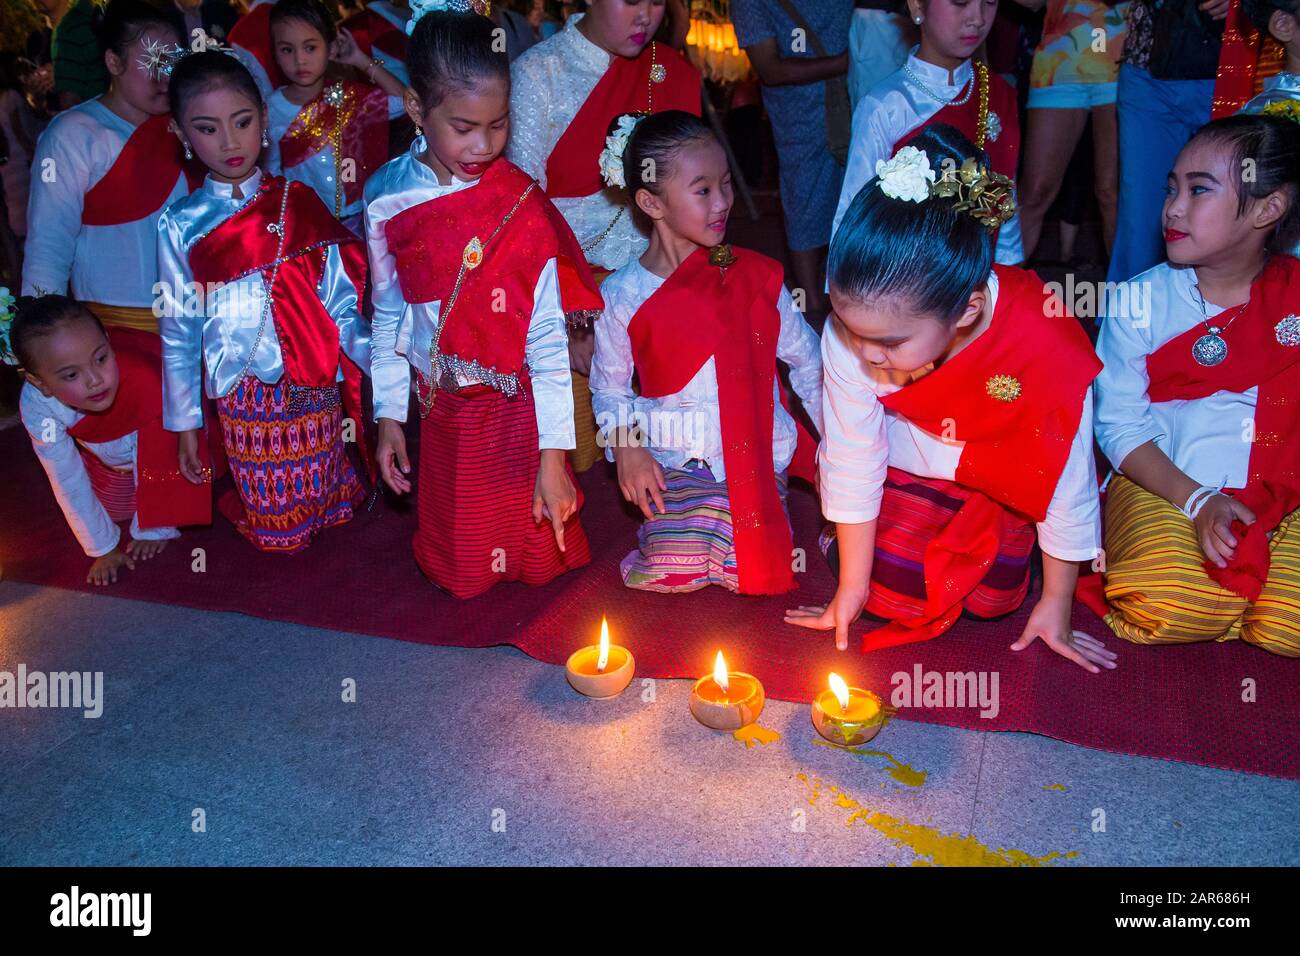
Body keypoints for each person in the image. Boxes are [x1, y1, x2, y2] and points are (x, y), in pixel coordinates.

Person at [788, 126, 1115, 673]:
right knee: (886, 586)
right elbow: (853, 454)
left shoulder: (1045, 339)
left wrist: (1056, 602)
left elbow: (1066, 476)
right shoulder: (854, 333)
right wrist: (851, 589)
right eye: (849, 328)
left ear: (966, 310)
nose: (866, 355)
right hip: (911, 464)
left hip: (1007, 480)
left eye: (890, 344)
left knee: (994, 598)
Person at [366, 2, 603, 598]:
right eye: (464, 128)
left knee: (535, 555)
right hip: (442, 404)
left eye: (498, 126)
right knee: (465, 570)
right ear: (418, 108)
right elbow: (389, 312)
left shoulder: (519, 201)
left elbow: (548, 336)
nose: (483, 145)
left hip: (518, 401)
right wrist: (389, 415)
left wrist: (556, 455)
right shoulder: (386, 197)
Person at [591, 111, 823, 594]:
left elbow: (809, 363)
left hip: (754, 455)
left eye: (725, 185)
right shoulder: (621, 294)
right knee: (673, 568)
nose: (723, 203)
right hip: (675, 457)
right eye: (702, 191)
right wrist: (627, 447)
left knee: (749, 569)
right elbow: (610, 387)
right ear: (651, 201)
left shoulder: (753, 278)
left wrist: (837, 450)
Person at [1094, 114, 1300, 656]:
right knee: (1168, 602)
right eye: (1171, 189)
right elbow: (1117, 426)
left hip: (1284, 490)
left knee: (1290, 623)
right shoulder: (1140, 301)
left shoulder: (1294, 296)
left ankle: (1247, 603)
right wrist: (1200, 501)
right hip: (1168, 483)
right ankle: (1222, 599)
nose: (1173, 207)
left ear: (1266, 208)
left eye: (1199, 190)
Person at [158, 49, 371, 553]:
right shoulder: (181, 222)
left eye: (242, 121)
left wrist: (379, 362)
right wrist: (186, 423)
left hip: (311, 376)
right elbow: (178, 326)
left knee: (325, 487)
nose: (230, 141)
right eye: (207, 128)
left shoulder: (296, 201)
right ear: (181, 134)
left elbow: (339, 299)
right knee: (280, 530)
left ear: (264, 119)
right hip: (241, 386)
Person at [508, 0, 701, 473]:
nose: (646, 17)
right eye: (632, 0)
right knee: (575, 457)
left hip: (656, 279)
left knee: (685, 443)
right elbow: (521, 215)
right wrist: (569, 318)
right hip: (568, 287)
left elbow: (697, 201)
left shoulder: (670, 74)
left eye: (658, 2)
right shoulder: (537, 74)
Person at [9, 295, 210, 585]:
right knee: (113, 512)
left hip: (168, 447)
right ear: (40, 383)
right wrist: (102, 548)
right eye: (71, 375)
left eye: (101, 358)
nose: (95, 379)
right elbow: (64, 474)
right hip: (107, 459)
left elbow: (164, 446)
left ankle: (156, 516)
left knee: (179, 487)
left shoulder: (144, 378)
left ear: (107, 340)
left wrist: (154, 525)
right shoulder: (37, 405)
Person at [22, 0, 195, 333]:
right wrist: (42, 345)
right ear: (113, 62)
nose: (164, 76)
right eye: (150, 61)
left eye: (172, 61)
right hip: (116, 340)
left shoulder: (194, 125)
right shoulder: (71, 135)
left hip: (196, 334)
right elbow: (48, 246)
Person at [831, 0, 1024, 267]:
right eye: (960, 2)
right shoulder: (887, 106)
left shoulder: (999, 94)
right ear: (917, 7)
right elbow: (852, 215)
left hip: (983, 283)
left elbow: (1005, 206)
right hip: (908, 284)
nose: (977, 18)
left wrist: (1008, 273)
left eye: (989, 1)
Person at [732, 0, 853, 319]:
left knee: (856, 194)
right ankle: (811, 302)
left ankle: (846, 291)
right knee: (805, 200)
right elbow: (770, 70)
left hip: (857, 97)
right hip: (799, 114)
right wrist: (843, 62)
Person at [1107, 0, 1231, 283]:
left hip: (1235, 64)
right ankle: (1129, 318)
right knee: (1141, 215)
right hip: (1147, 67)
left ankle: (1232, 315)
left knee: (1234, 202)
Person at [265, 0, 407, 234]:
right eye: (287, 50)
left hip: (362, 220)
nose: (299, 60)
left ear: (331, 48)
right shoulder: (270, 110)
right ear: (275, 54)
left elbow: (404, 102)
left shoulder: (348, 96)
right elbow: (272, 178)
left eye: (310, 47)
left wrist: (360, 59)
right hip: (309, 227)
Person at [1014, 0, 1128, 262]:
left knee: (1111, 192)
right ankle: (998, 292)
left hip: (1119, 63)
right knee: (1034, 193)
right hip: (1058, 64)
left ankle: (1125, 298)